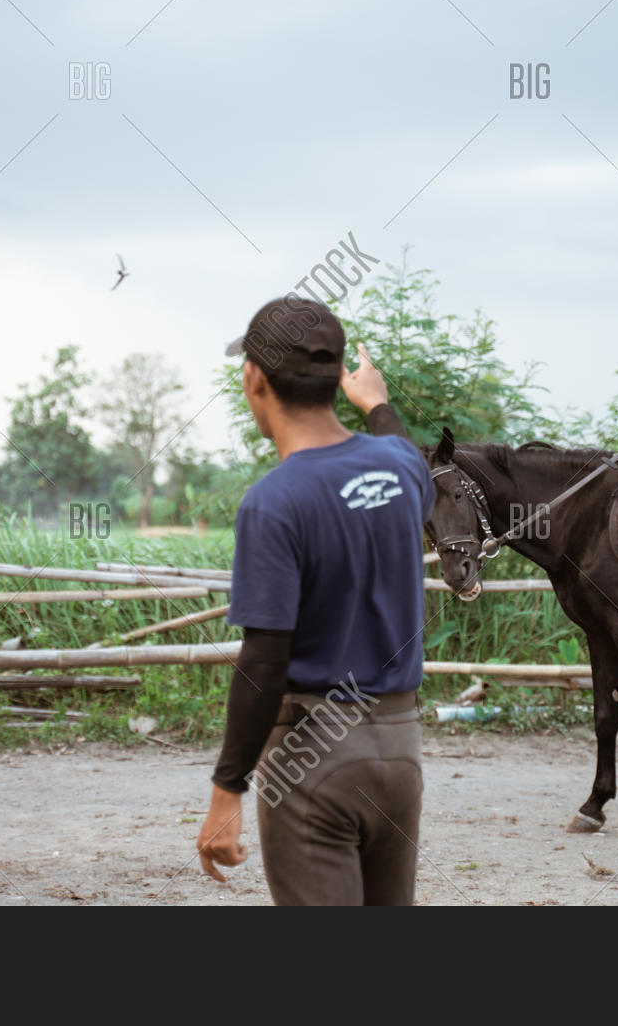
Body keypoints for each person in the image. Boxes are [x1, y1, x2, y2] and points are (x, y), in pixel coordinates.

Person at [195, 295, 434, 906]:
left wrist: (228, 791)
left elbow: (265, 658)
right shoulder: (400, 470)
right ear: (335, 380)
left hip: (313, 756)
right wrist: (377, 404)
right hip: (400, 750)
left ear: (253, 379)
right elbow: (404, 454)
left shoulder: (277, 500)